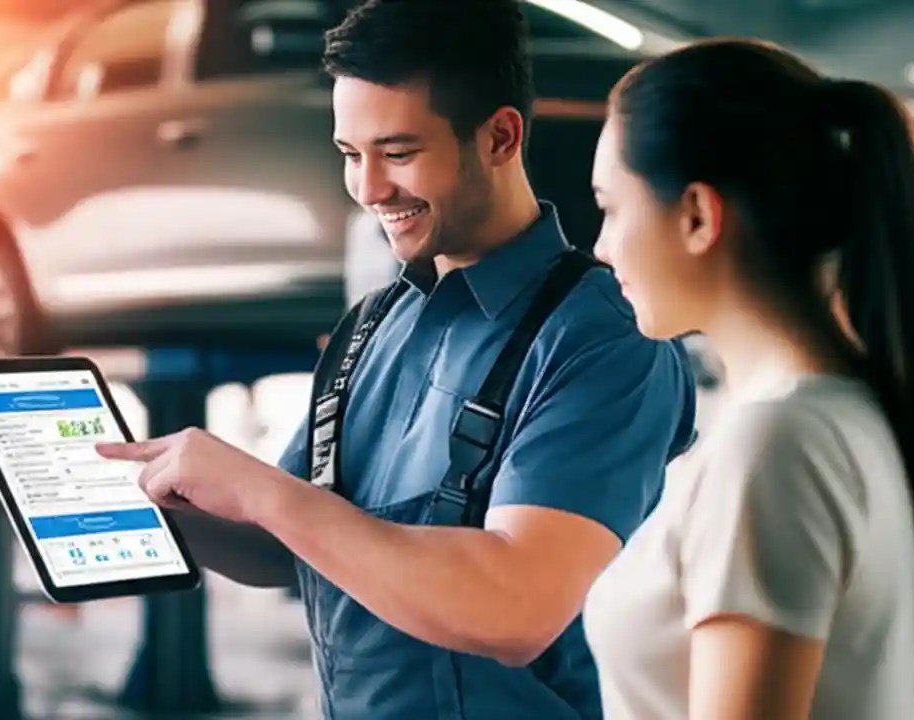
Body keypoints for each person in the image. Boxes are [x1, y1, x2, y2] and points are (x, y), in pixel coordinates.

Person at [98, 1, 696, 717]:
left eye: (399, 153)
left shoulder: (601, 340)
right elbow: (290, 545)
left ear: (501, 136)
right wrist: (139, 508)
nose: (369, 189)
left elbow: (516, 608)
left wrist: (263, 489)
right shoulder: (368, 330)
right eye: (352, 155)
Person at [582, 39, 914, 719]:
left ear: (698, 216)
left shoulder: (776, 444)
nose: (601, 244)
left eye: (611, 207)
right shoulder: (830, 414)